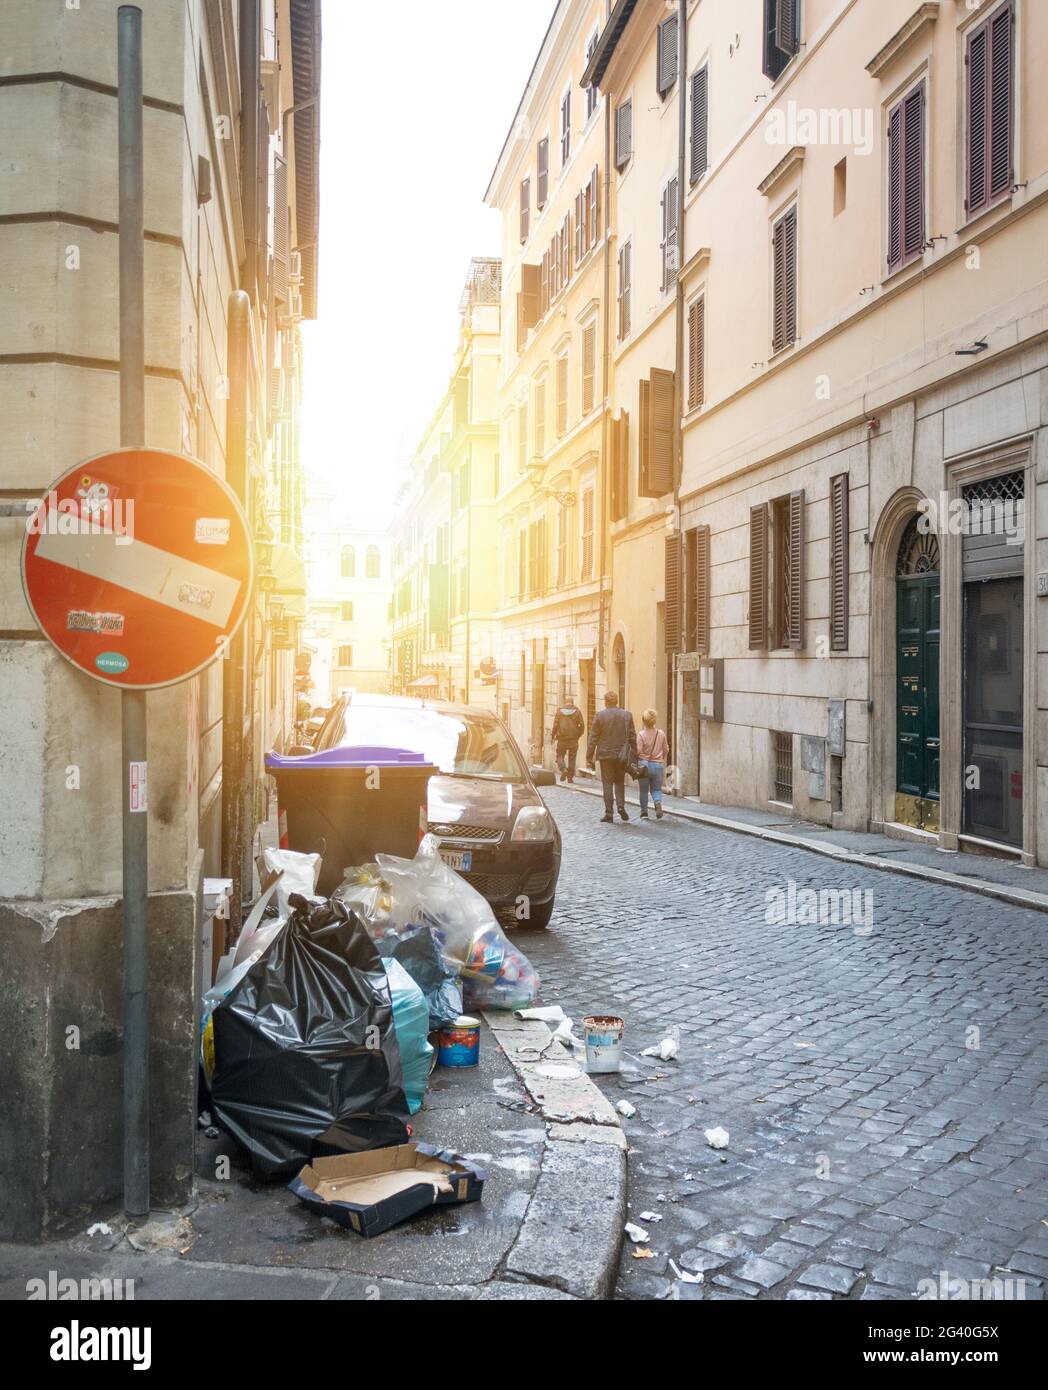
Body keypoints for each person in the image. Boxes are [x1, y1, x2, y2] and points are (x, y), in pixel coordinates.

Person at [586, 690, 637, 823]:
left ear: (606, 702)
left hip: (605, 755)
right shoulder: (627, 715)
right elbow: (632, 736)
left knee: (607, 784)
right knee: (620, 781)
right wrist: (635, 754)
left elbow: (593, 737)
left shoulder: (599, 716)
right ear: (617, 701)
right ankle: (620, 806)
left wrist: (589, 755)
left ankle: (609, 813)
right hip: (621, 755)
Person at [637, 709, 669, 819]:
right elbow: (666, 749)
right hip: (658, 765)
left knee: (643, 791)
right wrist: (662, 760)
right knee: (656, 789)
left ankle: (644, 813)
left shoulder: (641, 735)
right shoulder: (661, 734)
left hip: (644, 766)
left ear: (643, 721)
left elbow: (638, 752)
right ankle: (657, 803)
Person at [550, 698, 585, 782]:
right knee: (572, 758)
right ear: (572, 703)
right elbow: (582, 725)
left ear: (565, 703)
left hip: (562, 738)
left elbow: (555, 725)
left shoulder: (559, 711)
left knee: (559, 755)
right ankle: (570, 778)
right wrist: (578, 735)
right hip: (573, 739)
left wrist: (553, 736)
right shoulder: (577, 711)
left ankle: (563, 769)